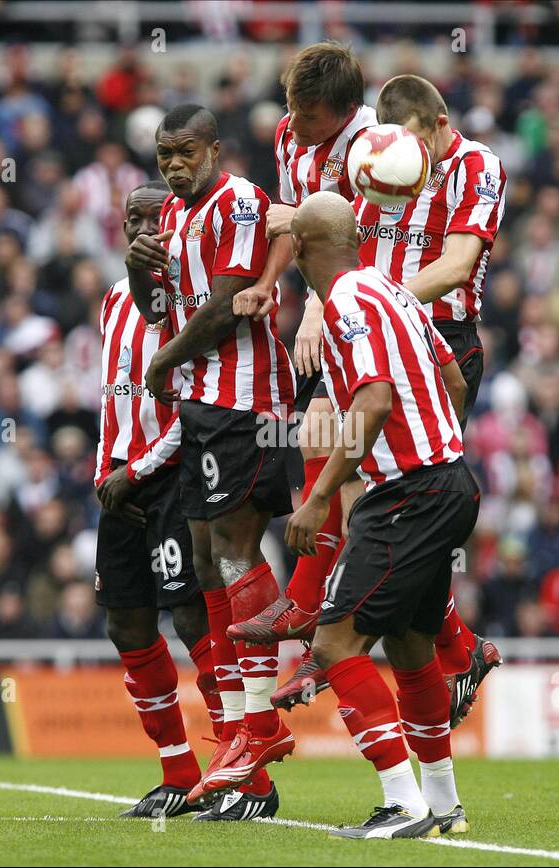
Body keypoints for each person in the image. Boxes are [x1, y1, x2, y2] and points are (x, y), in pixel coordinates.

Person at [281, 191, 478, 838]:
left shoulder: (341, 302)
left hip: (407, 494)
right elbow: (451, 382)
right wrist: (434, 442)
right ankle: (443, 800)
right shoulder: (394, 290)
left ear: (303, 248)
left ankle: (403, 801)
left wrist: (317, 496)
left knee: (334, 642)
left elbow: (372, 395)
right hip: (451, 482)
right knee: (410, 642)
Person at [125, 105, 295, 808]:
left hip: (246, 401)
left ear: (214, 149)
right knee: (203, 562)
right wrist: (136, 272)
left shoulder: (242, 202)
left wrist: (163, 362)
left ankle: (259, 722)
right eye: (164, 154)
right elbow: (158, 311)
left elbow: (228, 307)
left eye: (184, 150)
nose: (172, 164)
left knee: (232, 548)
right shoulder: (173, 220)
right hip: (201, 406)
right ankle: (238, 727)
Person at [350, 73, 507, 724]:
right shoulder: (381, 161)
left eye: (414, 140)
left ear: (437, 121)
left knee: (416, 499)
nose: (405, 154)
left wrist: (383, 304)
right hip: (380, 337)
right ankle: (457, 646)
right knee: (364, 491)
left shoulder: (477, 165)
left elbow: (459, 263)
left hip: (442, 339)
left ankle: (444, 644)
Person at [225, 42, 377, 710]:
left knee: (362, 481)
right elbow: (298, 224)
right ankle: (319, 617)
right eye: (291, 105)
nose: (293, 122)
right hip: (327, 300)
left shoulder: (375, 147)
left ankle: (318, 614)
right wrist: (267, 283)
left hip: (374, 304)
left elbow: (357, 241)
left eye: (308, 114)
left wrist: (319, 306)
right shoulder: (291, 133)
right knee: (323, 444)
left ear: (342, 112)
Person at [95, 180, 248, 820]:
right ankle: (177, 772)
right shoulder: (110, 302)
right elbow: (114, 396)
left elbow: (196, 401)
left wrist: (142, 467)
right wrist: (107, 469)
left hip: (171, 477)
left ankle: (236, 767)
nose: (140, 227)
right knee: (126, 623)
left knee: (193, 620)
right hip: (117, 482)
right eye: (131, 217)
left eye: (151, 216)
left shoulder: (189, 304)